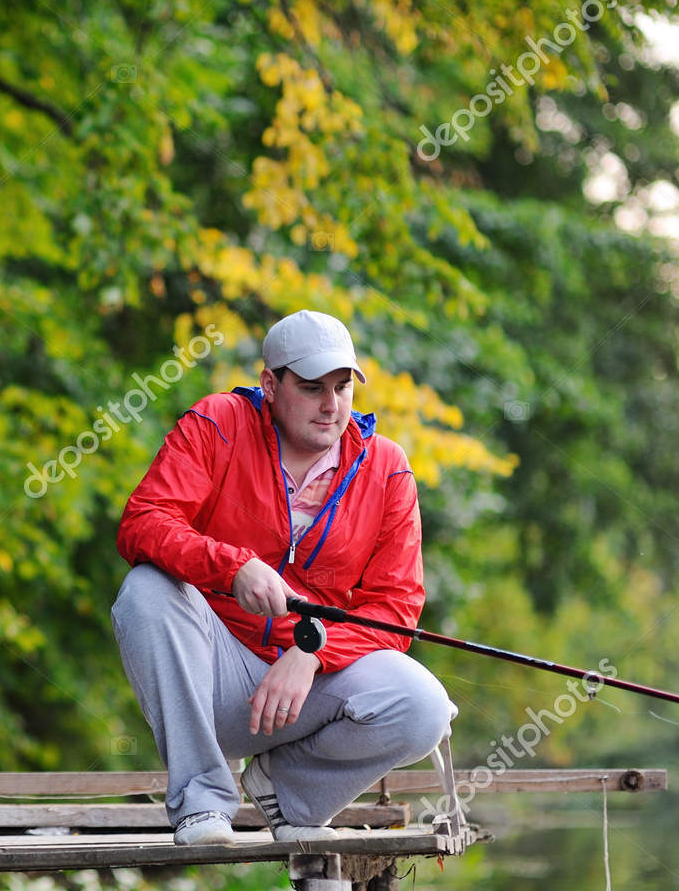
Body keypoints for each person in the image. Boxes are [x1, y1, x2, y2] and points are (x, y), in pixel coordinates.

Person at [112, 310, 456, 846]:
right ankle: (202, 802)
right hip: (213, 680)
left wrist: (314, 652)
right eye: (312, 387)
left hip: (308, 690)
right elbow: (144, 522)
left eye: (343, 387)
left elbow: (396, 605)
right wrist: (231, 566)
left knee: (424, 706)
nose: (331, 405)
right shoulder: (217, 423)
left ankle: (285, 790)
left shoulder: (386, 467)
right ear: (271, 384)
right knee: (145, 591)